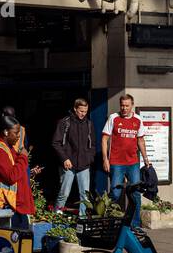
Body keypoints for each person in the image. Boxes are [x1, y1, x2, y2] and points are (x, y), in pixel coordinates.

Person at [102, 93, 150, 228]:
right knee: (116, 193)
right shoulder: (113, 118)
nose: (124, 108)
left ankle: (135, 224)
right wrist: (105, 159)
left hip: (133, 163)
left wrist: (146, 159)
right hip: (116, 162)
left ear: (132, 106)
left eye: (127, 106)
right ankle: (108, 219)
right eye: (122, 106)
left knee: (135, 194)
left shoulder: (138, 120)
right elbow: (104, 139)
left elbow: (140, 140)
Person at [0, 114, 36, 229]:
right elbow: (11, 176)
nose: (18, 136)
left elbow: (18, 172)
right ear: (6, 132)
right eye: (16, 133)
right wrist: (23, 157)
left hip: (15, 207)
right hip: (6, 208)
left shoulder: (9, 148)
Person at [52, 96, 94, 217]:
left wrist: (89, 158)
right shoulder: (65, 122)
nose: (83, 114)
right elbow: (56, 143)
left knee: (84, 196)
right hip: (68, 164)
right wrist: (64, 158)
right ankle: (57, 217)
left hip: (84, 165)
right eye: (81, 111)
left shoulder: (89, 124)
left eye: (85, 111)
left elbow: (93, 145)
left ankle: (82, 220)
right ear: (75, 109)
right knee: (64, 193)